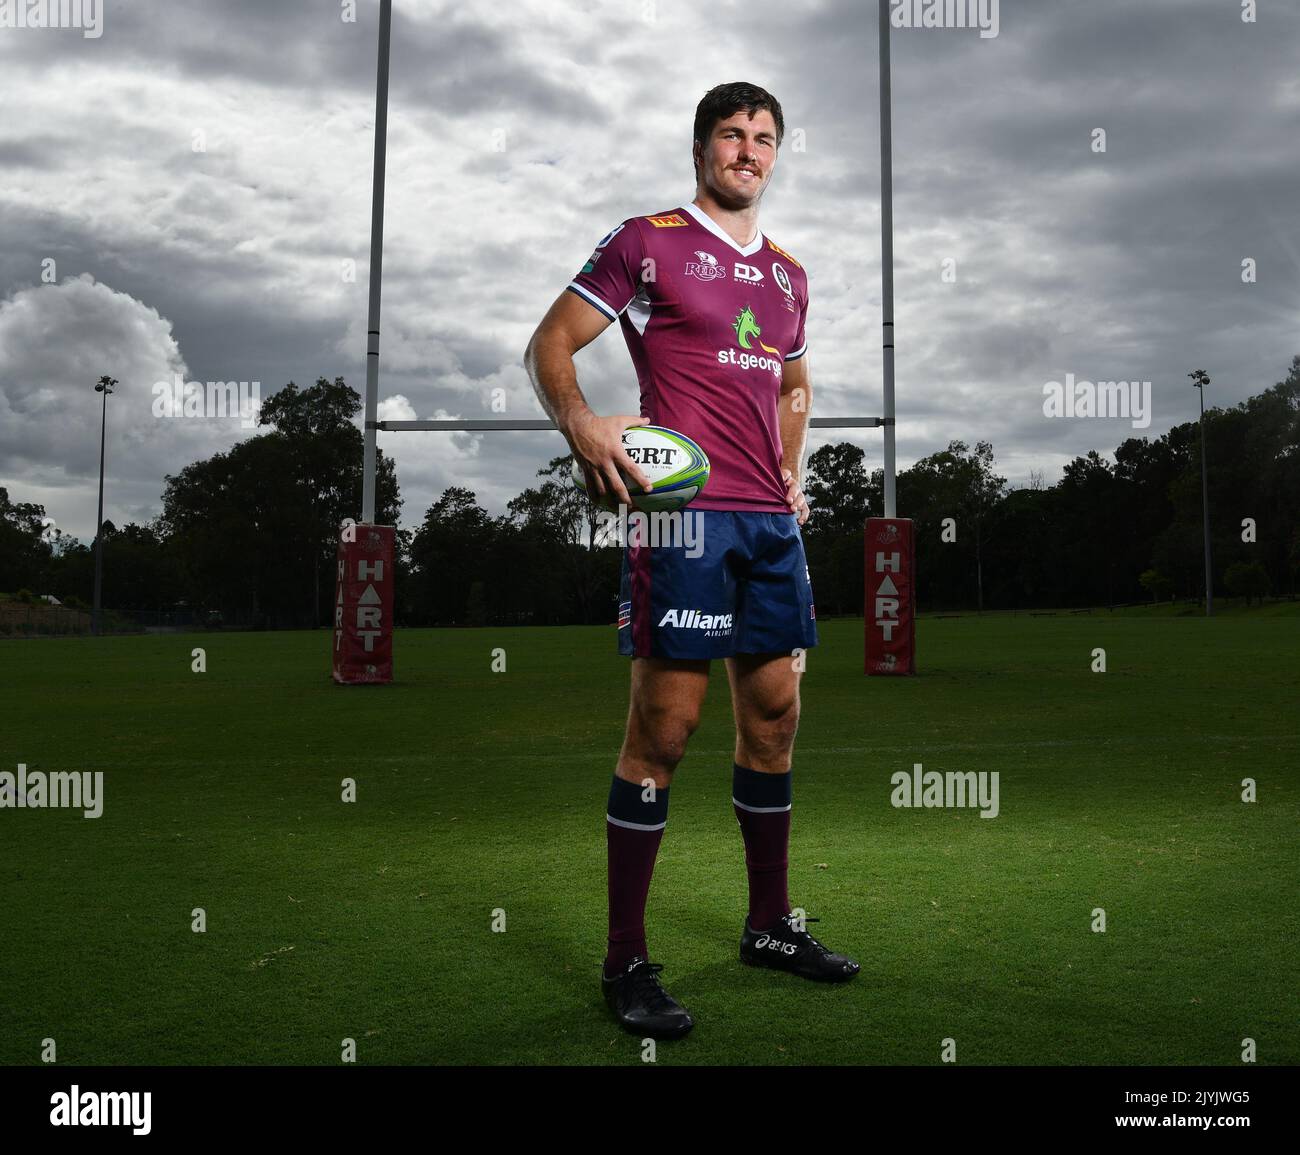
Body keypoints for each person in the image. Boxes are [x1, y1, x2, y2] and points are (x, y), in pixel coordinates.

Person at [524, 81, 858, 1040]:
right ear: (702, 147)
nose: (748, 151)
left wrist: (793, 470)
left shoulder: (790, 275)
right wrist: (583, 424)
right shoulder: (648, 241)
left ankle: (769, 926)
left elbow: (794, 380)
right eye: (731, 135)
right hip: (683, 522)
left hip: (767, 523)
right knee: (664, 732)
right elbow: (552, 341)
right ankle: (624, 958)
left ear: (776, 153)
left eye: (764, 138)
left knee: (776, 719)